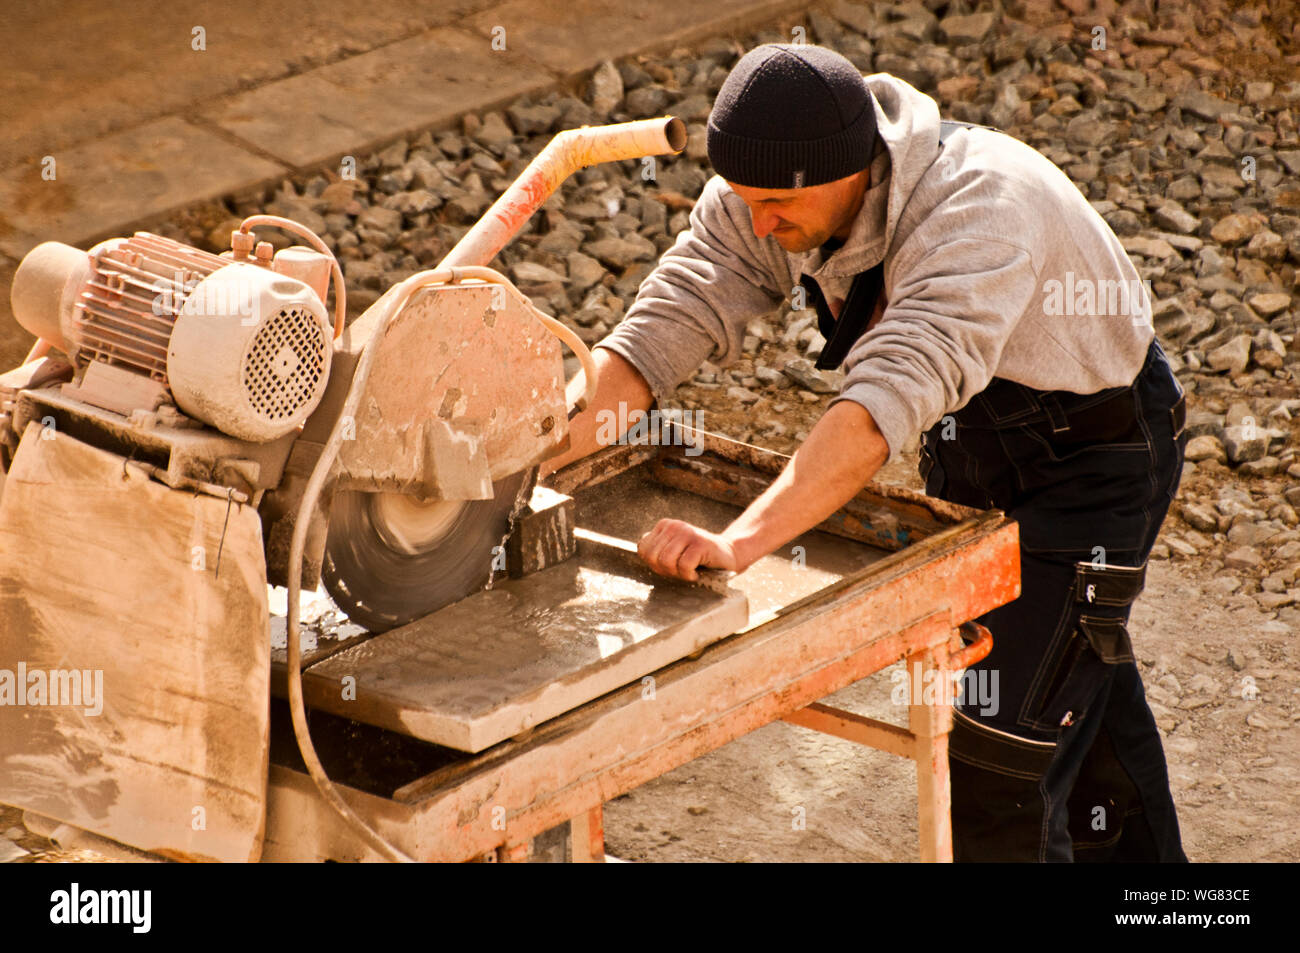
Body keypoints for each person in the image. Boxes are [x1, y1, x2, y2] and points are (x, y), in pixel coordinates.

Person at [540, 43, 1187, 862]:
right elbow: (662, 329)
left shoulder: (979, 214)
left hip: (1091, 458)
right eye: (744, 202)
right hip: (973, 444)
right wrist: (533, 467)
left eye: (775, 205)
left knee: (997, 757)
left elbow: (874, 415)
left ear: (850, 170)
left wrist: (736, 542)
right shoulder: (765, 190)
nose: (759, 224)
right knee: (1067, 687)